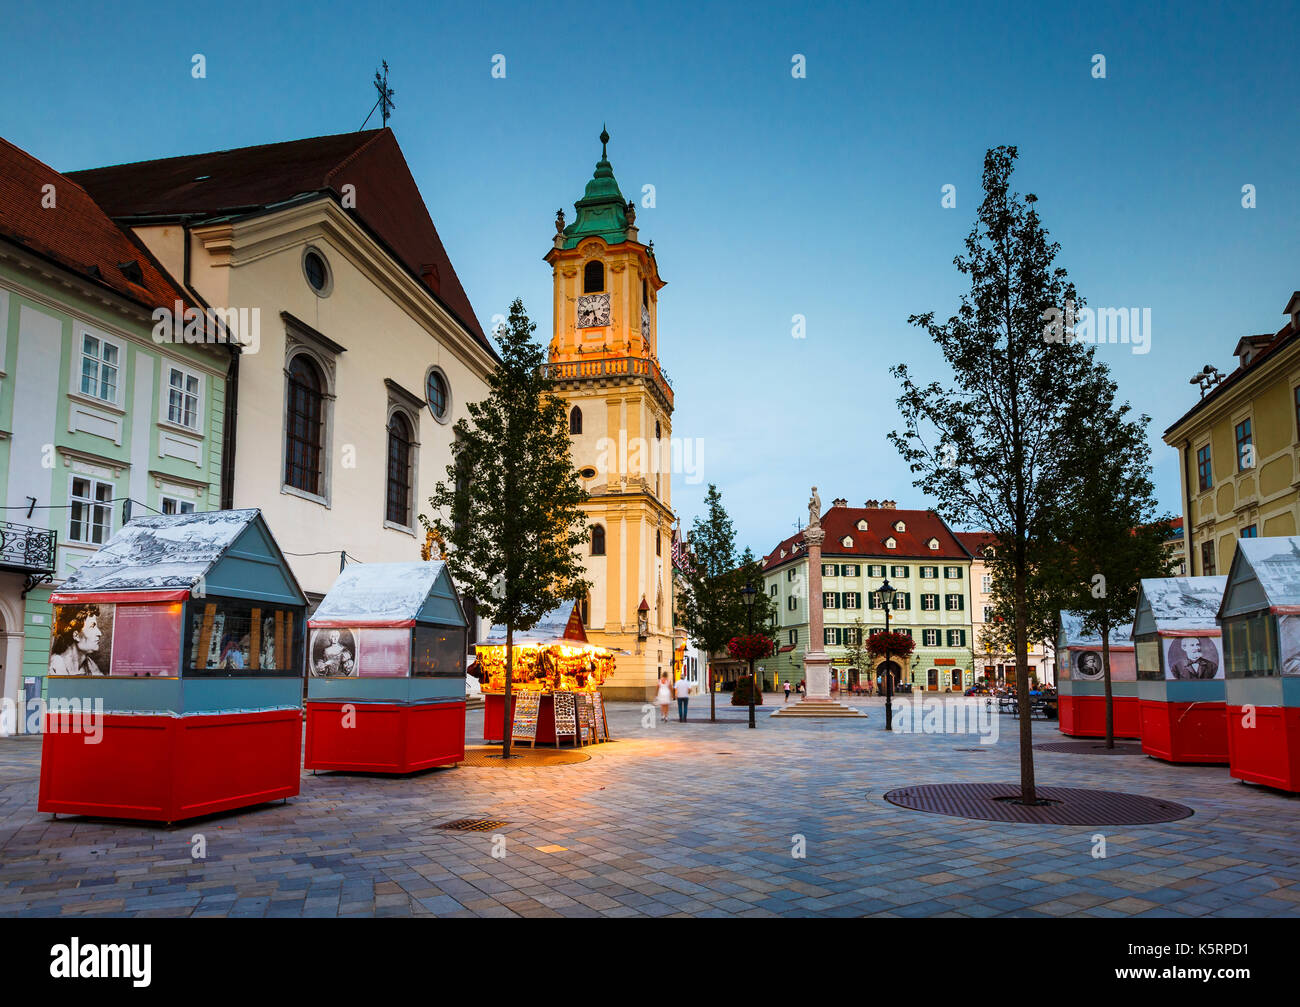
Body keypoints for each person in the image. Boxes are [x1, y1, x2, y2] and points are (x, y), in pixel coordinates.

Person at [49, 606, 105, 676]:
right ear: (76, 636)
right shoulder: (56, 666)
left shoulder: (90, 665)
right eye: (92, 627)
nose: (99, 633)